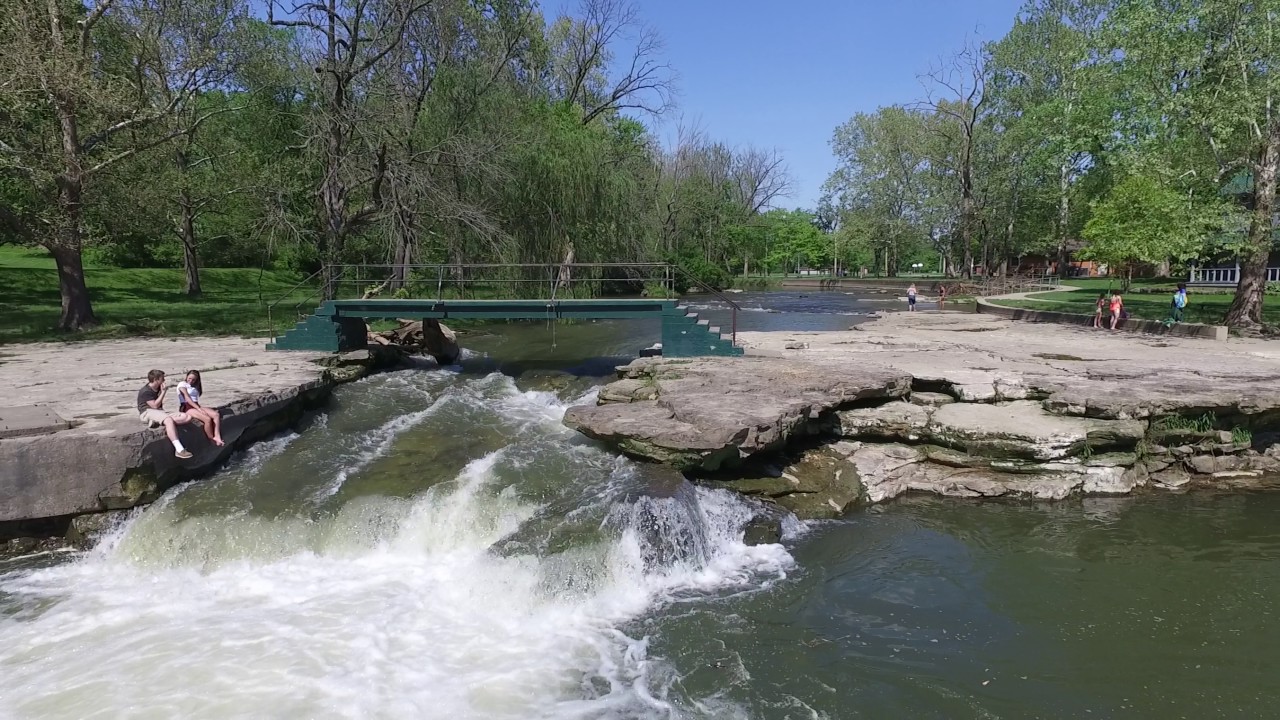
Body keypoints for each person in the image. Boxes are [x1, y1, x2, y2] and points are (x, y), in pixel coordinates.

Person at [137, 369, 193, 459]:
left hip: (159, 412)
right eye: (162, 378)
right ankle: (179, 449)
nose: (164, 380)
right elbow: (154, 406)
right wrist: (163, 392)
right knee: (168, 420)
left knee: (187, 417)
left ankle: (161, 423)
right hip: (147, 412)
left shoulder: (158, 387)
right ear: (156, 379)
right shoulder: (145, 391)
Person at [177, 369, 223, 446]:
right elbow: (187, 398)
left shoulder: (195, 386)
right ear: (187, 376)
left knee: (216, 415)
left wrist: (199, 408)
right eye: (189, 378)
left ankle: (217, 435)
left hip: (196, 405)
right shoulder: (182, 384)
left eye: (193, 379)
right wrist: (199, 409)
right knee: (207, 419)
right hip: (187, 407)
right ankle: (211, 439)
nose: (191, 381)